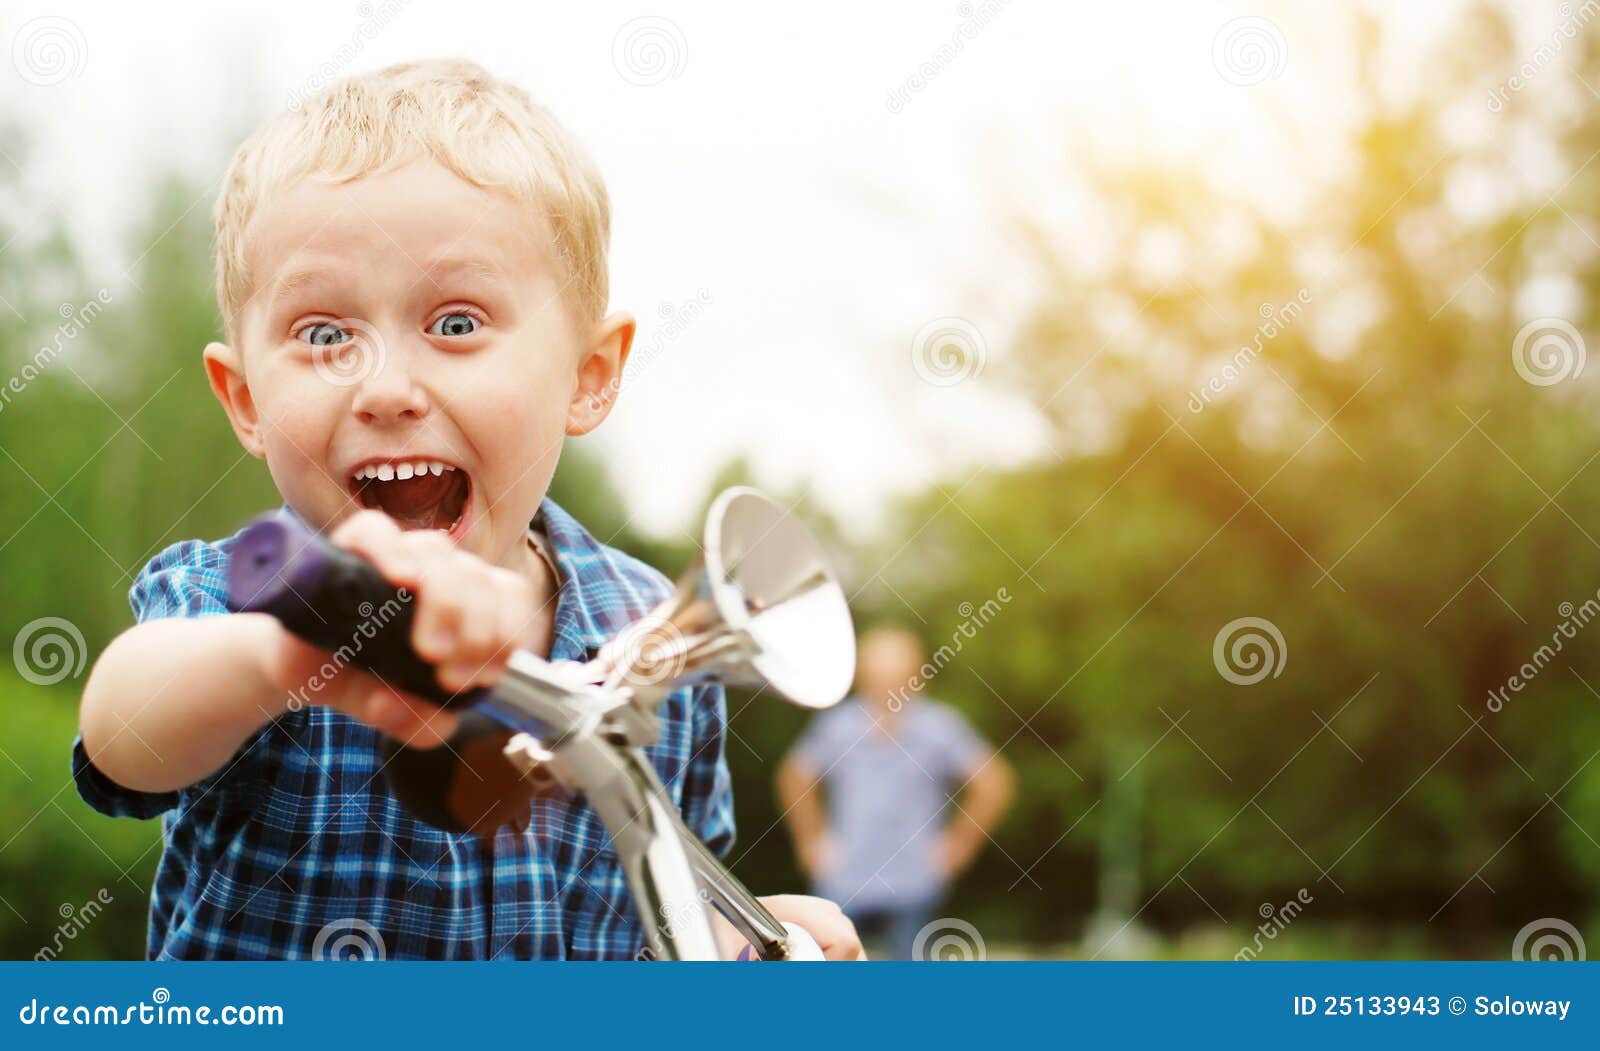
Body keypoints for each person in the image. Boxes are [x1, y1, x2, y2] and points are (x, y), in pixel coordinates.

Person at [72, 60, 858, 962]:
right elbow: (122, 737)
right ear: (245, 399)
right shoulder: (248, 592)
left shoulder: (654, 624)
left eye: (455, 323)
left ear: (588, 376)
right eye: (324, 334)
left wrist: (749, 933)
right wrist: (281, 654)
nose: (387, 388)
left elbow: (659, 894)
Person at [778, 624, 1015, 959]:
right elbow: (794, 775)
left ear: (916, 674)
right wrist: (811, 842)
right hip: (845, 877)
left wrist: (957, 846)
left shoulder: (940, 726)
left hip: (914, 879)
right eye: (877, 673)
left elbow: (993, 781)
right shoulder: (838, 726)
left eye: (895, 673)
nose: (886, 683)